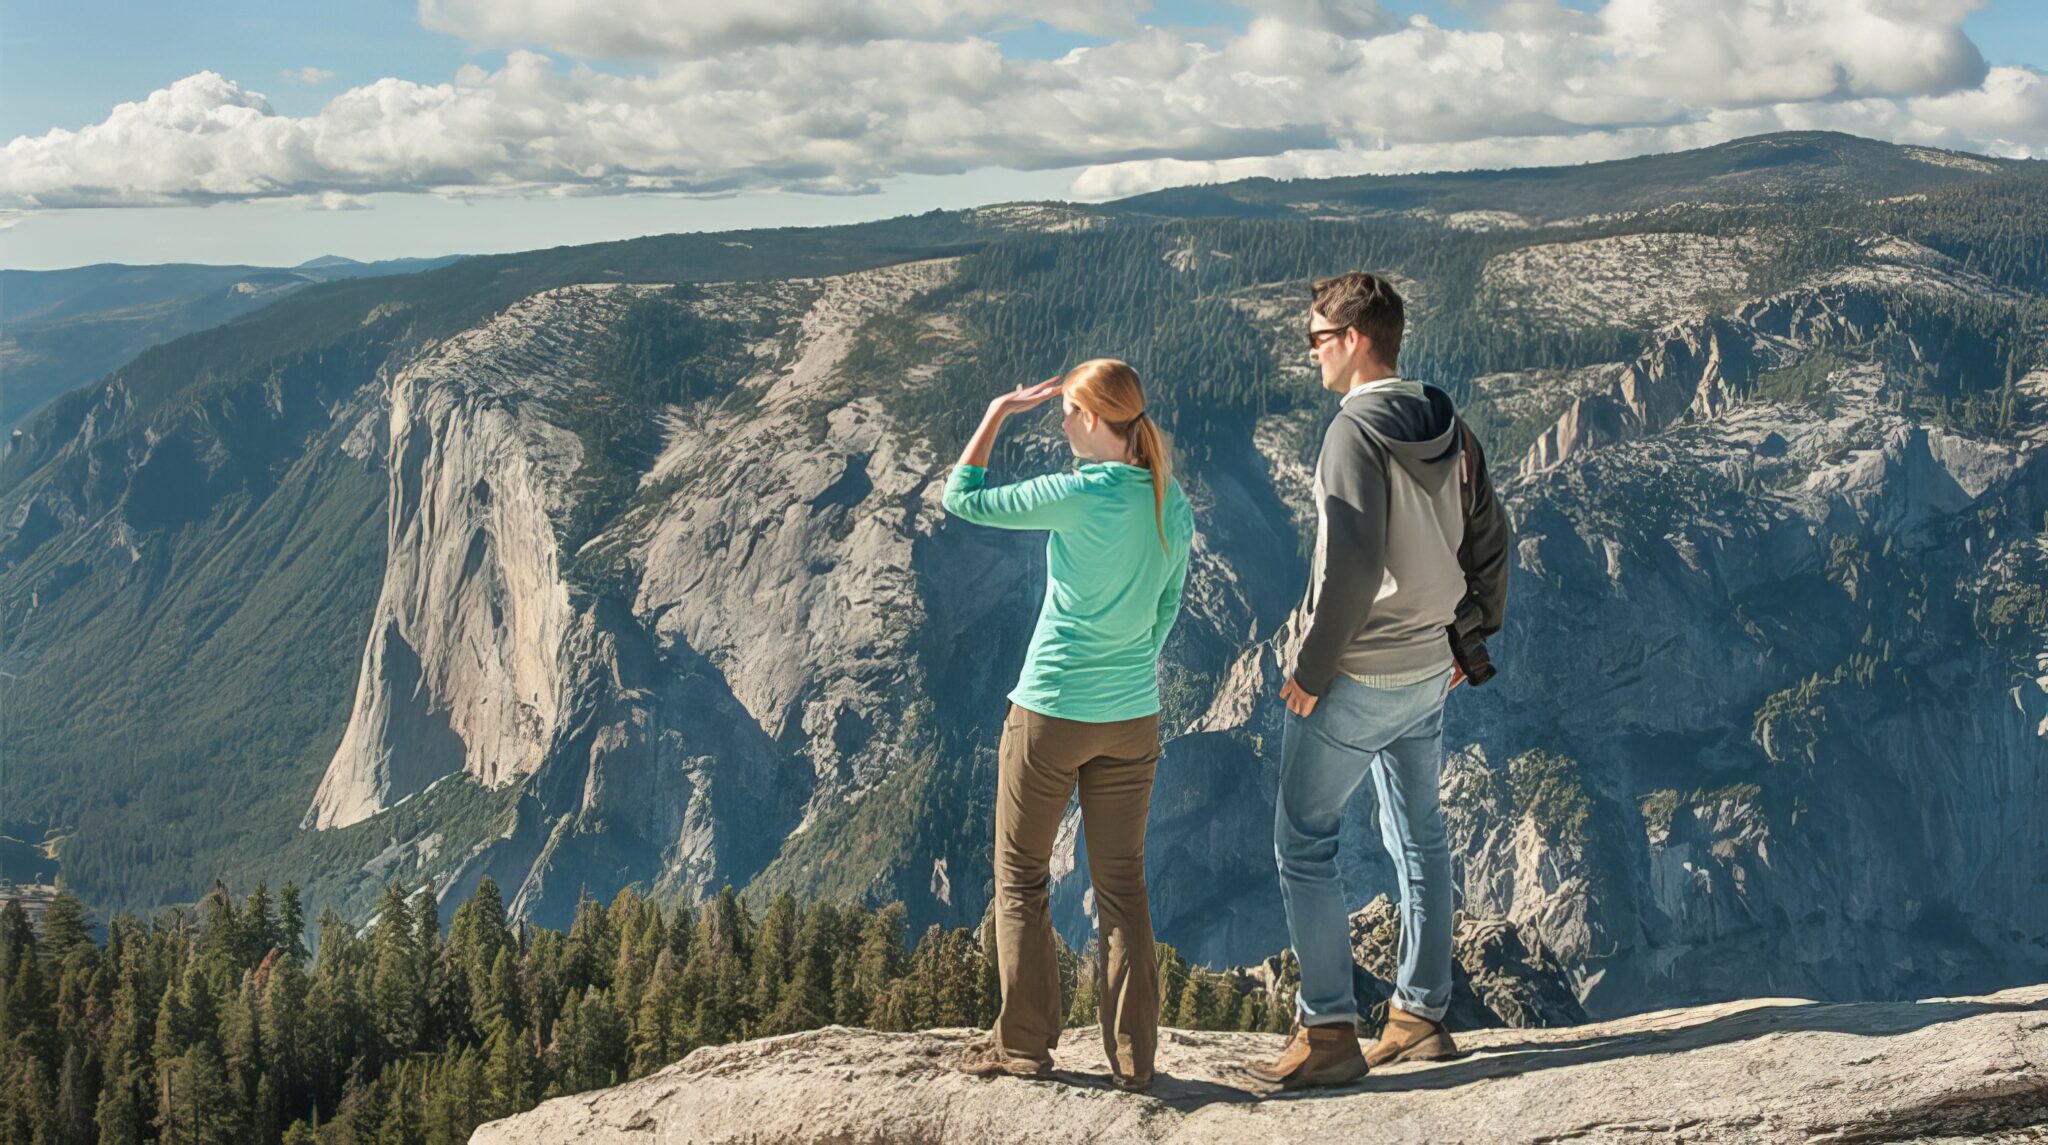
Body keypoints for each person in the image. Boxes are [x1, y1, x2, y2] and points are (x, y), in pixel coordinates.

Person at [1246, 272, 1510, 1090]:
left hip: (1361, 671)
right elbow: (1492, 536)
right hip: (1432, 665)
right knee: (1419, 833)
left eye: (1317, 337)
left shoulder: (1352, 434)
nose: (1311, 352)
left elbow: (1354, 568)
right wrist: (1475, 639)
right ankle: (1422, 1015)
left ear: (1357, 339)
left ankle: (1327, 1028)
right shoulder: (1445, 418)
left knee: (1304, 840)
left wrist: (1310, 669)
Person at [942, 358, 1195, 1092]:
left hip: (1050, 710)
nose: (1059, 424)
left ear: (1092, 418)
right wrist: (1132, 663)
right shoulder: (1166, 499)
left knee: (1021, 876)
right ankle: (1135, 1060)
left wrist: (995, 411)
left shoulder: (1077, 494)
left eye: (1068, 413)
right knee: (1123, 886)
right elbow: (1169, 601)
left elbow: (962, 496)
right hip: (1131, 716)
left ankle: (1023, 1042)